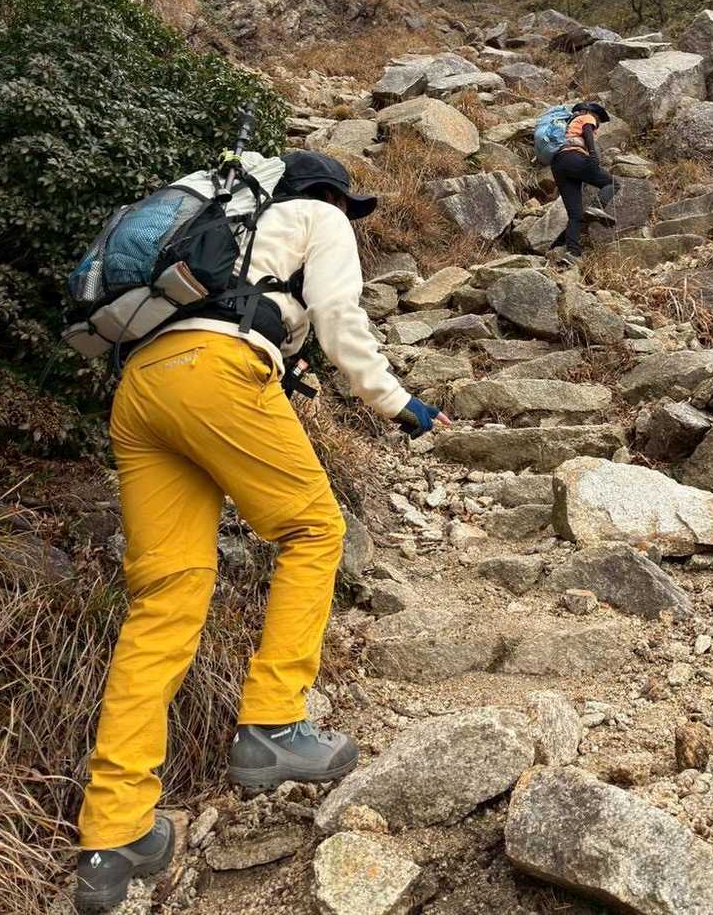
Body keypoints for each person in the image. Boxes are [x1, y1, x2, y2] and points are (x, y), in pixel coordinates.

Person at [74, 151, 448, 912]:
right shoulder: (318, 217)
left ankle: (112, 837)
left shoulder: (223, 237)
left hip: (140, 390)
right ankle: (274, 720)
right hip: (217, 371)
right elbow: (342, 317)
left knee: (163, 603)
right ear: (329, 195)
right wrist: (399, 404)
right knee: (313, 529)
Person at [550, 100, 616, 263]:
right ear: (591, 112)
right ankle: (596, 207)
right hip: (575, 157)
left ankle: (572, 253)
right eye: (599, 119)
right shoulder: (587, 117)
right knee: (612, 183)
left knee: (575, 215)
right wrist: (593, 154)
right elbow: (587, 131)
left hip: (558, 164)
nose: (598, 123)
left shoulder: (569, 124)